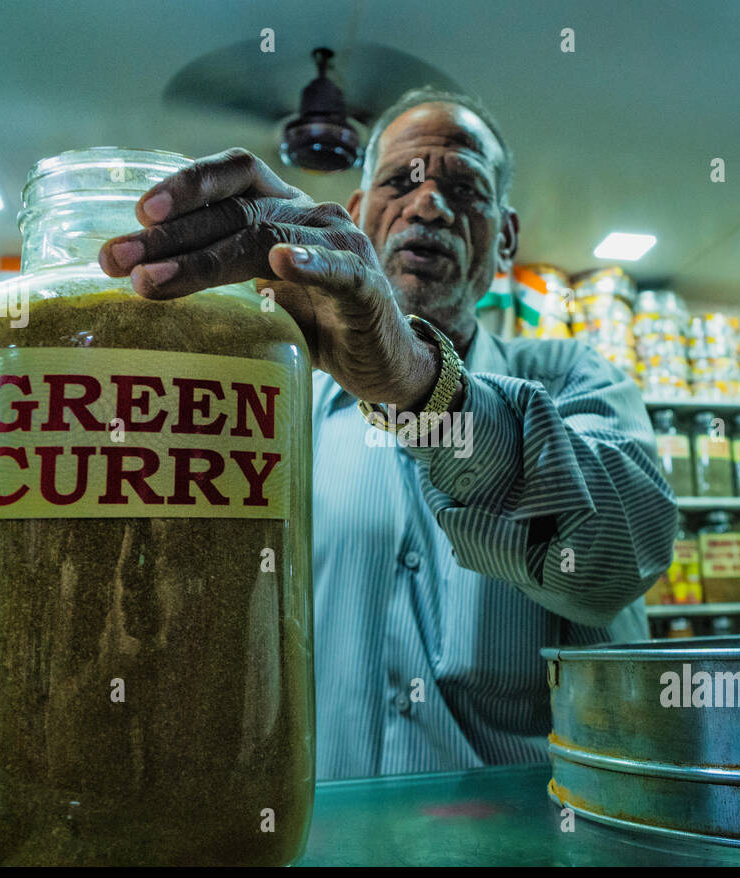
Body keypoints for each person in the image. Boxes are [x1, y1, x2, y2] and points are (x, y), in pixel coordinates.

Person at [98, 87, 677, 779]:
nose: (429, 205)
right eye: (400, 183)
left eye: (465, 189)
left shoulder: (576, 376)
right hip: (324, 835)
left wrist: (419, 386)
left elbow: (622, 557)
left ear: (508, 239)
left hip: (527, 843)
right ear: (356, 218)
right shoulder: (287, 408)